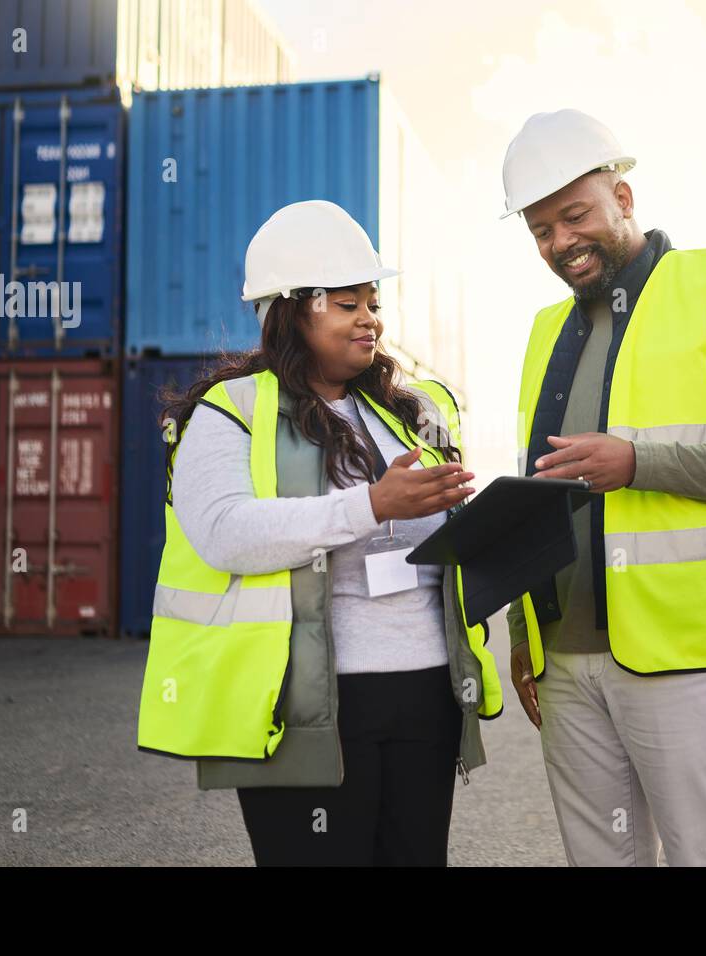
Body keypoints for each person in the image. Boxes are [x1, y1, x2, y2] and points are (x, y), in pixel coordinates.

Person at [500, 110, 706, 866]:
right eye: (541, 231)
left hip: (681, 654)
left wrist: (639, 463)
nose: (560, 243)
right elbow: (537, 491)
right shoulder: (547, 329)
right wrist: (525, 637)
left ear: (623, 196)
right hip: (566, 663)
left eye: (575, 215)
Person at [137, 200, 503, 866]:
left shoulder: (412, 409)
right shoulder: (229, 414)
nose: (370, 318)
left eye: (372, 301)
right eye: (346, 303)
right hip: (311, 705)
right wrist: (370, 505)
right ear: (291, 309)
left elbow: (440, 544)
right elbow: (226, 533)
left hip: (425, 693)